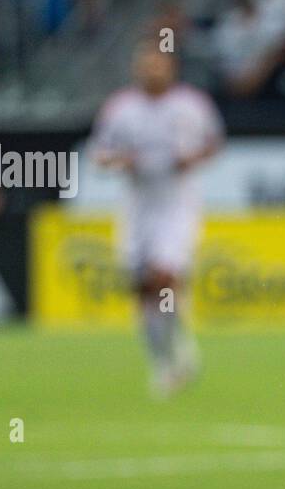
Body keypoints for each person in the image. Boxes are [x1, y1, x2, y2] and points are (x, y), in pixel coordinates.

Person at [90, 44, 224, 397]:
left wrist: (191, 159)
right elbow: (100, 153)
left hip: (176, 203)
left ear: (171, 68)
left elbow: (214, 143)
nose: (152, 72)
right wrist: (122, 161)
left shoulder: (191, 104)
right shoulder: (121, 108)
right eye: (146, 66)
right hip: (138, 205)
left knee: (165, 277)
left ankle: (182, 347)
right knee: (142, 290)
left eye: (158, 66)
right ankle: (164, 361)